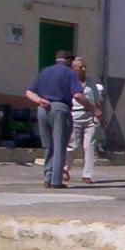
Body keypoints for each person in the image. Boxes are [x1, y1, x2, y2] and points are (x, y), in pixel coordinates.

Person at [25, 49, 81, 189]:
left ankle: (47, 178)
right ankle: (56, 181)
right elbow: (78, 95)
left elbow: (29, 92)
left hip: (42, 109)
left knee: (48, 146)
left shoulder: (44, 71)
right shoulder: (69, 73)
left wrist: (39, 100)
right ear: (68, 60)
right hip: (60, 109)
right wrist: (93, 109)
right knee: (59, 145)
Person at [62, 55, 104, 184]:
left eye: (85, 66)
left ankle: (87, 175)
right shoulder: (69, 81)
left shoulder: (91, 82)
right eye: (81, 67)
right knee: (73, 145)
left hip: (90, 117)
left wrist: (98, 113)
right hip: (75, 115)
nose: (84, 69)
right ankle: (65, 169)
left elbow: (97, 99)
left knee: (89, 146)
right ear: (74, 69)